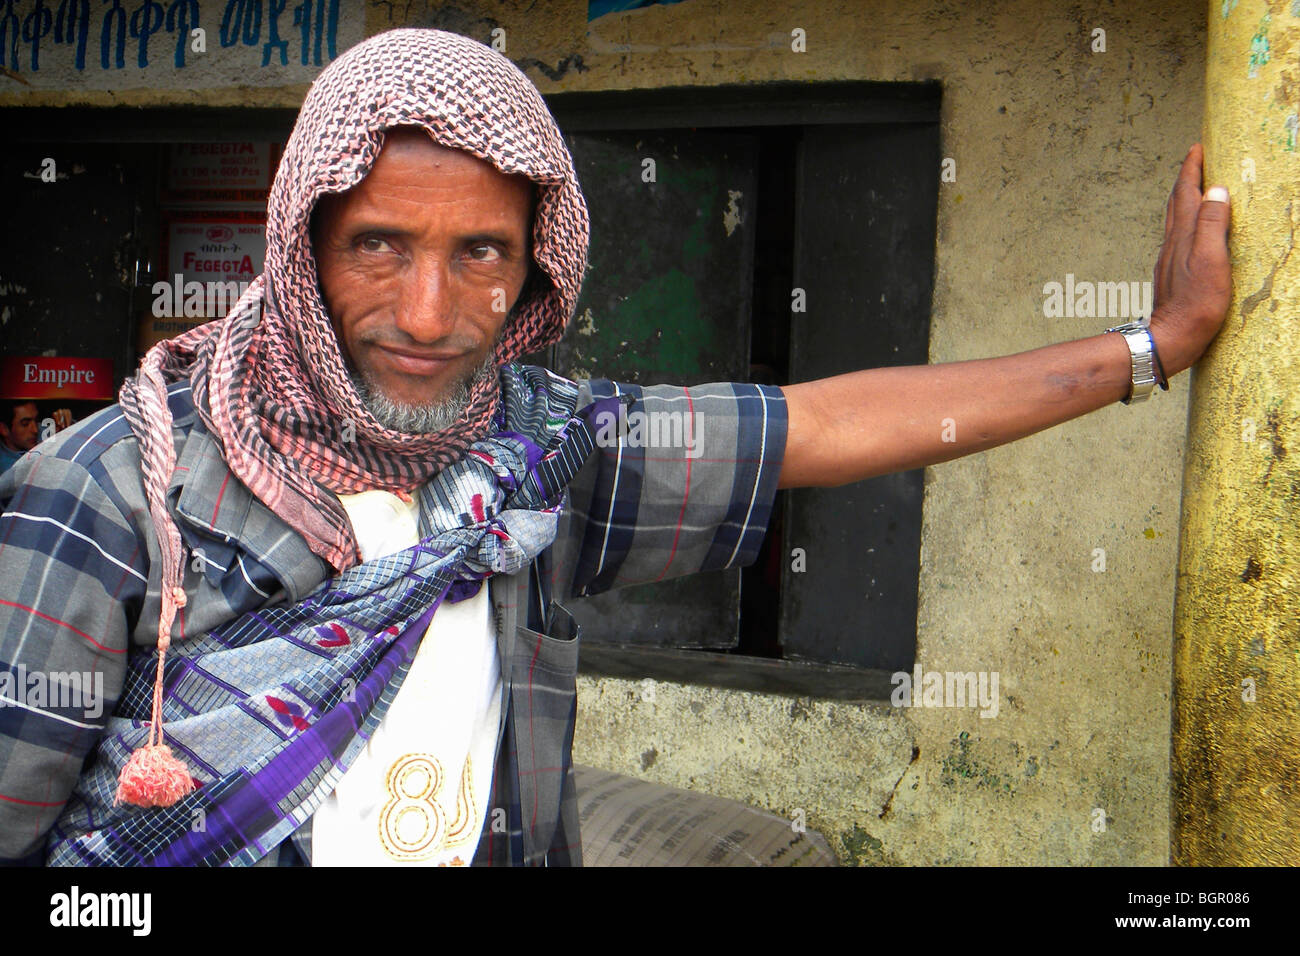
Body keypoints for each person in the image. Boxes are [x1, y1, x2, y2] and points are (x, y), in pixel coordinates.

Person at [0, 28, 1231, 867]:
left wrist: (1151, 346)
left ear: (537, 266)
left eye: (480, 251)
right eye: (378, 242)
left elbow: (834, 422)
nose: (429, 313)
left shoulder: (532, 460)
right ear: (301, 241)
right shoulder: (107, 495)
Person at [0, 400, 39, 478]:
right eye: (25, 424)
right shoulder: (5, 472)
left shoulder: (44, 431)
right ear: (4, 429)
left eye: (36, 420)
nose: (35, 430)